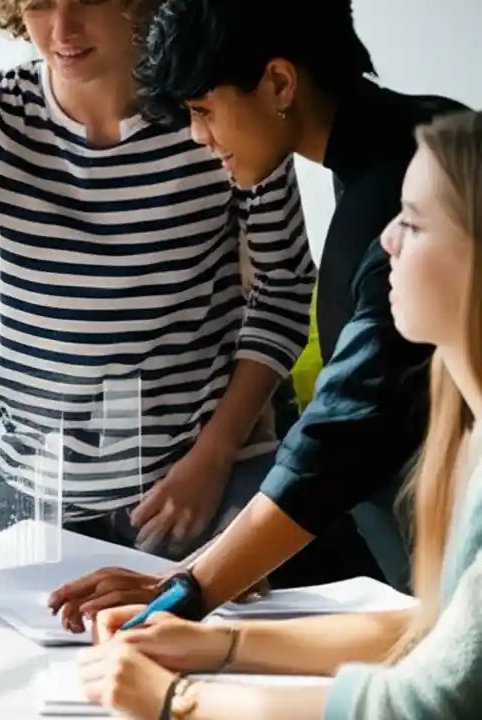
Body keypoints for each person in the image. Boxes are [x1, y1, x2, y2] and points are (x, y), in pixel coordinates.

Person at [0, 0, 315, 562]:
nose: (61, 31)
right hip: (35, 495)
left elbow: (284, 286)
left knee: (193, 648)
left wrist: (214, 455)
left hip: (201, 483)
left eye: (85, 0)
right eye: (37, 5)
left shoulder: (216, 109)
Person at [49, 0, 469, 633]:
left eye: (203, 110)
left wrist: (183, 590)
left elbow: (348, 429)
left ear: (278, 83)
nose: (197, 135)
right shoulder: (419, 139)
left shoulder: (410, 180)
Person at [77, 108, 482, 720]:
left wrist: (178, 700)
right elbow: (434, 633)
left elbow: (427, 702)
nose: (387, 241)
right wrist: (213, 643)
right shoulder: (468, 441)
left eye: (416, 223)